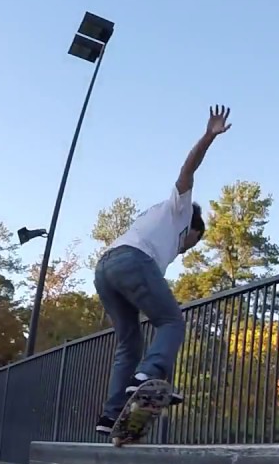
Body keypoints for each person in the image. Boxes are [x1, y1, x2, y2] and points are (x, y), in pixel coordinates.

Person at [92, 105, 232, 435]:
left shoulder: (150, 216)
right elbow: (187, 172)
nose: (187, 249)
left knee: (129, 343)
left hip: (105, 270)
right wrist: (209, 136)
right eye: (192, 243)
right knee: (171, 321)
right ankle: (146, 376)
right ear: (193, 229)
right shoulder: (180, 210)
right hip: (132, 261)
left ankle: (111, 414)